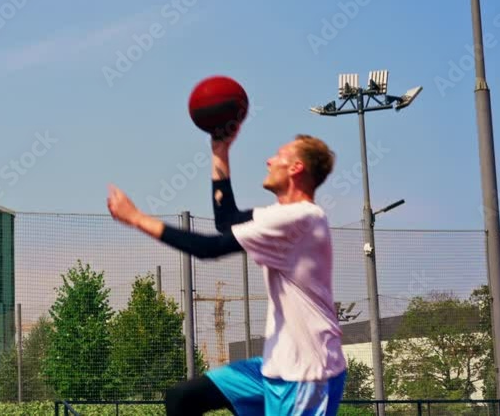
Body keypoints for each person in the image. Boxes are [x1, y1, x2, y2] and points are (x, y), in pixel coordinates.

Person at [106, 130, 347, 415]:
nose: (269, 161)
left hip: (309, 373)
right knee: (183, 398)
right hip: (275, 367)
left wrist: (136, 218)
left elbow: (210, 247)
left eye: (279, 156)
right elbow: (227, 220)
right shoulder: (282, 215)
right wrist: (220, 150)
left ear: (296, 168)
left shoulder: (301, 218)